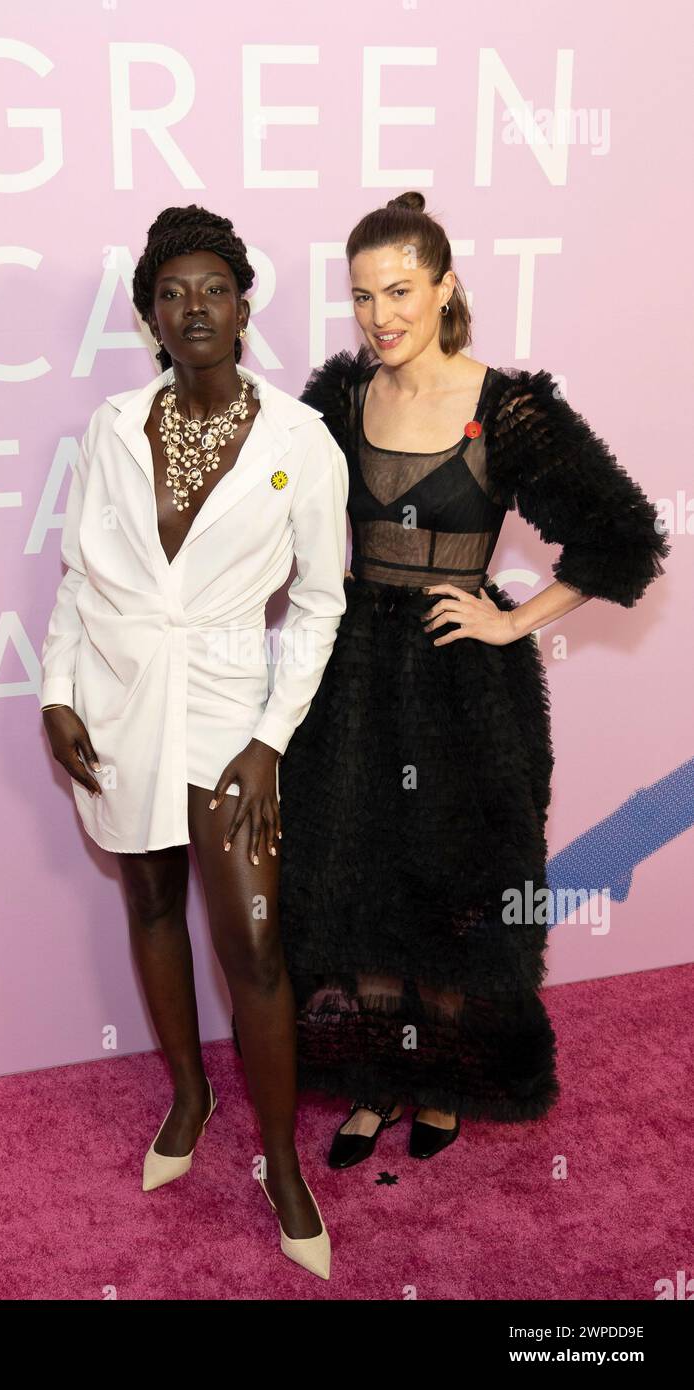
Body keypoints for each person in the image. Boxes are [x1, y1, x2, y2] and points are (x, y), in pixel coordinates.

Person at [276, 191, 669, 1170]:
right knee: (352, 877)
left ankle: (443, 1078)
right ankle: (371, 1082)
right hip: (350, 686)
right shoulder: (335, 398)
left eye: (399, 290)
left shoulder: (507, 409)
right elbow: (278, 515)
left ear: (444, 286)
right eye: (362, 295)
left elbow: (619, 535)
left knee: (457, 885)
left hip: (460, 692)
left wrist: (508, 618)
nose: (380, 315)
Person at [39, 204, 349, 1278]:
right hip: (120, 701)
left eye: (212, 288)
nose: (193, 308)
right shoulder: (112, 428)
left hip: (226, 717)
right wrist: (55, 691)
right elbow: (81, 576)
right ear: (148, 320)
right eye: (170, 294)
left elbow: (318, 602)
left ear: (244, 303)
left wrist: (269, 738)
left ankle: (279, 1161)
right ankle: (186, 1093)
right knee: (147, 900)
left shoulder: (298, 443)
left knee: (254, 946)